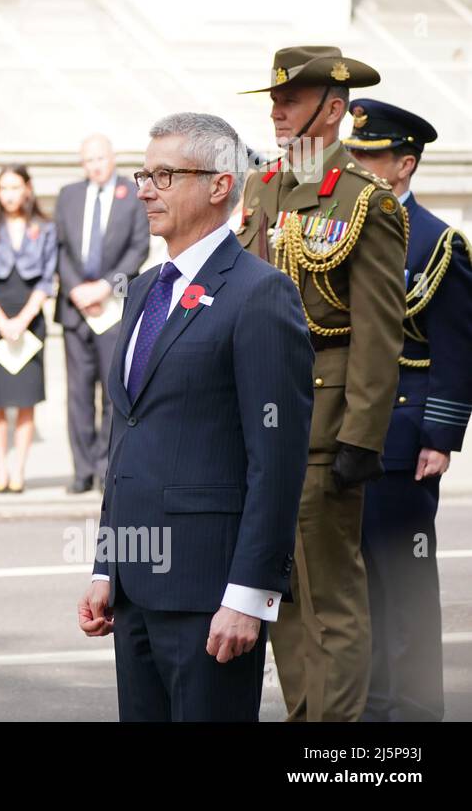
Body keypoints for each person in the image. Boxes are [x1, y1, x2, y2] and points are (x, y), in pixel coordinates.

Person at [77, 112, 313, 721]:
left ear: (219, 185)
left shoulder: (259, 293)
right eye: (142, 173)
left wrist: (251, 596)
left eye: (164, 175)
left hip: (211, 595)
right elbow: (126, 438)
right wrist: (107, 563)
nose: (144, 189)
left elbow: (277, 461)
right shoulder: (146, 287)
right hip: (134, 587)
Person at [235, 46, 407, 722]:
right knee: (281, 598)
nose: (277, 111)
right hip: (261, 427)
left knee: (330, 598)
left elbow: (378, 330)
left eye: (291, 100)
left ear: (332, 109)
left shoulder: (366, 203)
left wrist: (362, 436)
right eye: (274, 99)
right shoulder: (261, 189)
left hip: (320, 428)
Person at [342, 99, 472, 721]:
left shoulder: (436, 242)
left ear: (405, 165)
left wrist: (440, 436)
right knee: (356, 588)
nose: (360, 163)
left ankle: (415, 714)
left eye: (372, 155)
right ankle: (373, 709)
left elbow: (456, 346)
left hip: (402, 433)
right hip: (343, 429)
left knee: (405, 585)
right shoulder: (341, 230)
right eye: (355, 153)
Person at [54, 134, 149, 494]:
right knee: (77, 394)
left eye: (99, 158)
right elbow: (59, 246)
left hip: (113, 308)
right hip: (75, 309)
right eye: (87, 160)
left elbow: (138, 247)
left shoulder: (133, 196)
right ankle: (81, 470)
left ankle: (106, 468)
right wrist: (78, 288)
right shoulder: (68, 195)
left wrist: (106, 287)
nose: (94, 165)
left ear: (112, 158)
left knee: (112, 394)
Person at [0, 164, 56, 492]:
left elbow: (48, 278)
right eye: (3, 188)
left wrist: (23, 319)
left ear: (27, 189)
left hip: (30, 318)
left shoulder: (45, 227)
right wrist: (2, 320)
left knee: (25, 400)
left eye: (15, 187)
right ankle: (0, 468)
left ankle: (19, 468)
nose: (9, 195)